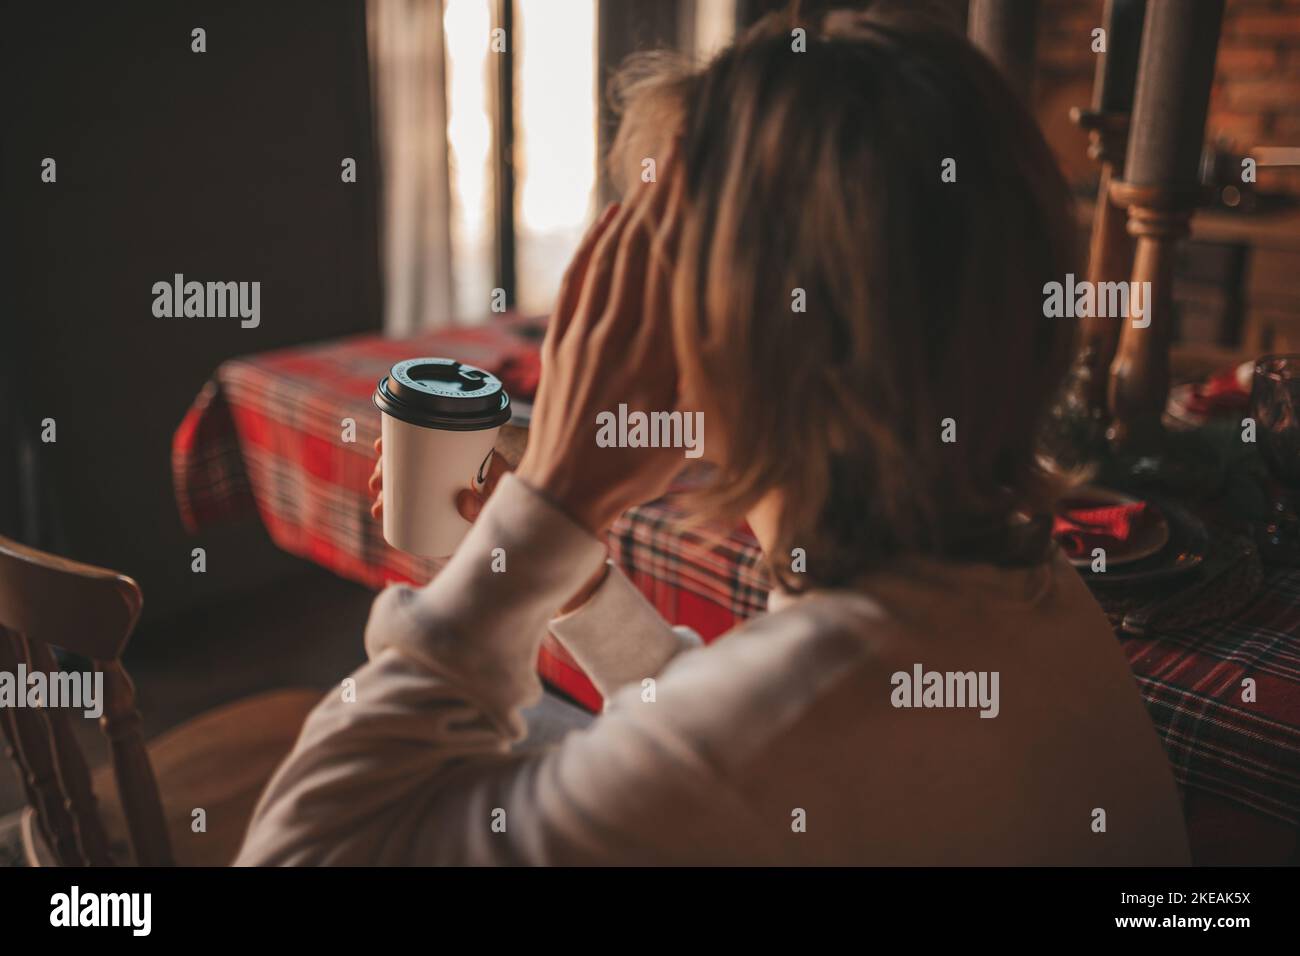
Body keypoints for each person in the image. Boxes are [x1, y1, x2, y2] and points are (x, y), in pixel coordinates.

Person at [236, 6, 1190, 866]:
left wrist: (553, 503)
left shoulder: (783, 730)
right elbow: (734, 733)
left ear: (739, 328)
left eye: (661, 262)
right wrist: (576, 583)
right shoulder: (1021, 586)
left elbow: (302, 848)